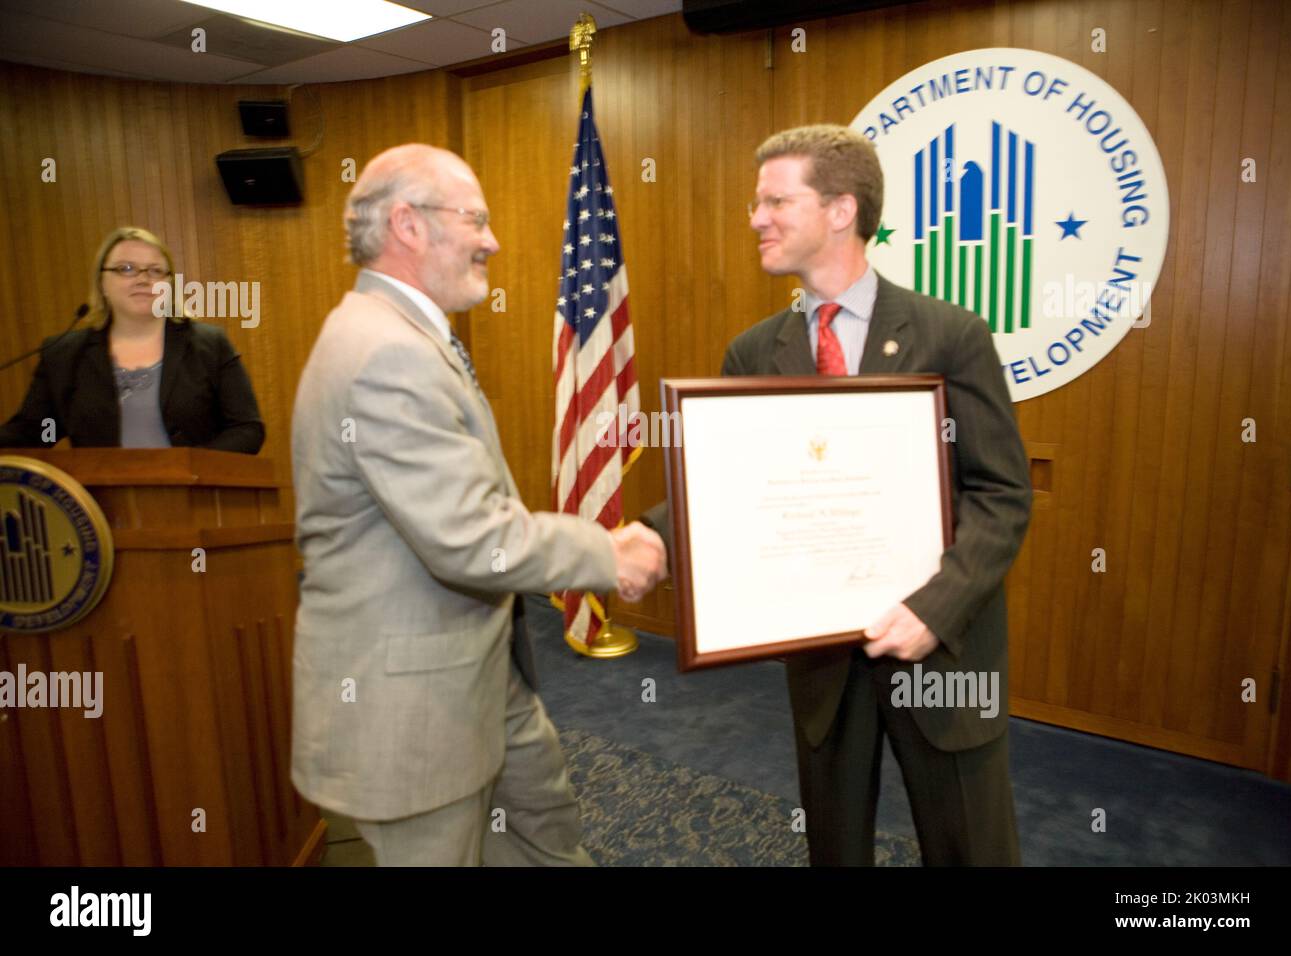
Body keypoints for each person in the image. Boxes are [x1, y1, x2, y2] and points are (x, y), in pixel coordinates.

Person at [642, 125, 1033, 865]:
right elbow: (725, 487)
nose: (755, 217)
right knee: (834, 843)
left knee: (971, 845)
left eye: (774, 200)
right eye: (756, 203)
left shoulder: (952, 335)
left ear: (841, 210)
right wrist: (655, 538)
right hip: (820, 657)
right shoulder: (756, 351)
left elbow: (1002, 494)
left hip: (942, 650)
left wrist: (934, 608)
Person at [290, 143, 665, 866]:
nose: (492, 241)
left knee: (544, 828)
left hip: (479, 670)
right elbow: (468, 538)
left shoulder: (406, 336)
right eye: (477, 220)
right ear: (409, 225)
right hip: (414, 707)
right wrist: (609, 553)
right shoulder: (383, 353)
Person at [0, 226, 264, 453]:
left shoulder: (209, 345)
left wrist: (190, 467)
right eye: (126, 269)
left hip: (196, 501)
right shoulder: (64, 355)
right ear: (102, 282)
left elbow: (247, 429)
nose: (142, 279)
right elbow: (32, 432)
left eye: (155, 270)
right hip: (98, 505)